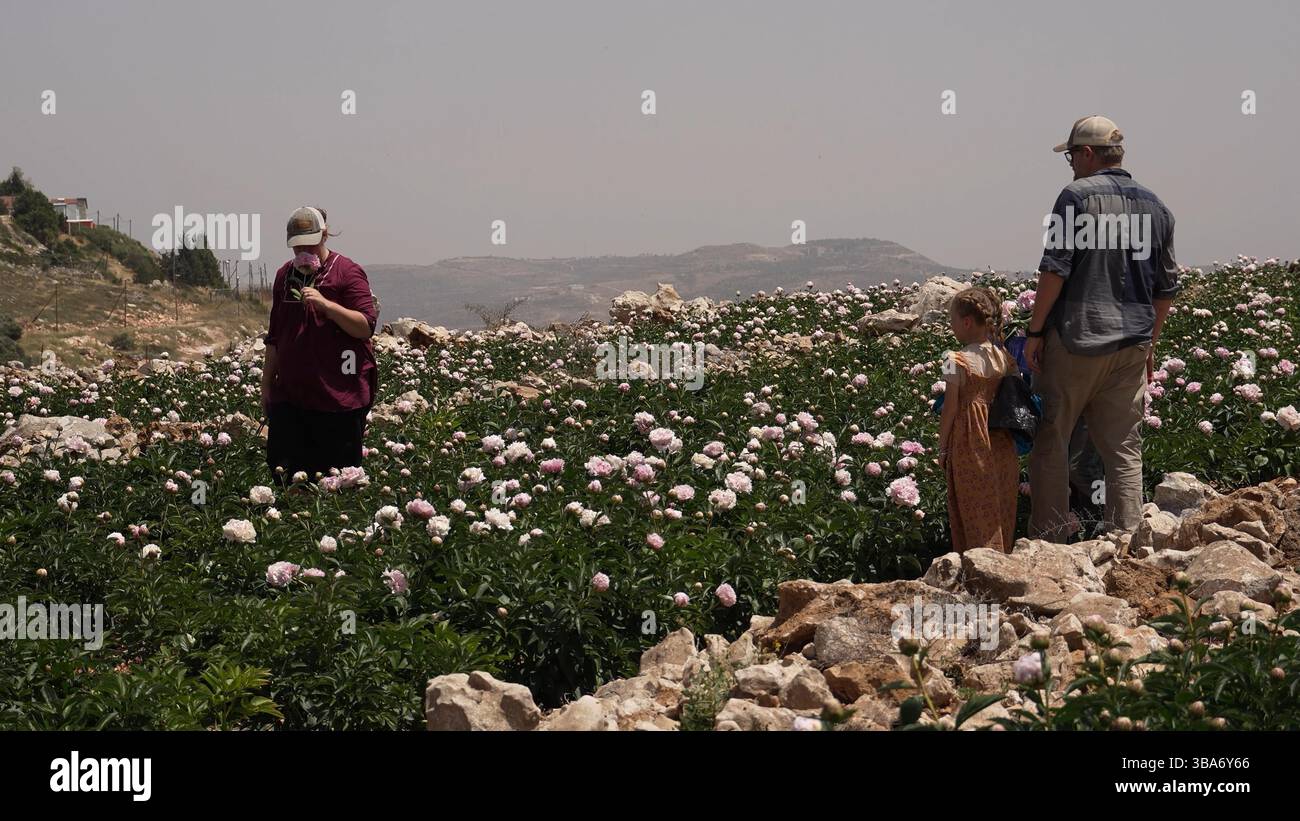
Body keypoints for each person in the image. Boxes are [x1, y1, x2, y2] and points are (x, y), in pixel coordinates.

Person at [1024, 116, 1180, 542]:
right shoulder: (1157, 206)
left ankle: (1051, 544)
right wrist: (1151, 343)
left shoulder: (1074, 197)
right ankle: (1127, 544)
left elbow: (1054, 269)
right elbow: (1165, 289)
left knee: (1052, 441)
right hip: (1132, 341)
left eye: (1072, 155)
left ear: (1088, 153)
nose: (1071, 163)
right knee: (1124, 450)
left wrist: (1035, 332)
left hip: (1078, 338)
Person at [261, 206, 379, 484]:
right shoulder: (284, 275)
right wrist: (267, 385)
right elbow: (275, 335)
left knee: (336, 483)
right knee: (286, 479)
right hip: (291, 399)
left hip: (338, 402)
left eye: (310, 242)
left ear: (324, 235)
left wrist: (327, 305)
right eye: (297, 245)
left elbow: (364, 326)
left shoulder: (347, 272)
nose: (303, 250)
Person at [939, 286, 1021, 553]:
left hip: (969, 440)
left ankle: (977, 569)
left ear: (966, 322)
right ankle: (1002, 559)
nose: (951, 327)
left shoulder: (954, 360)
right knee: (999, 504)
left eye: (952, 321)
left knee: (972, 505)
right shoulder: (1004, 357)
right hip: (1002, 441)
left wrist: (942, 448)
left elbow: (950, 409)